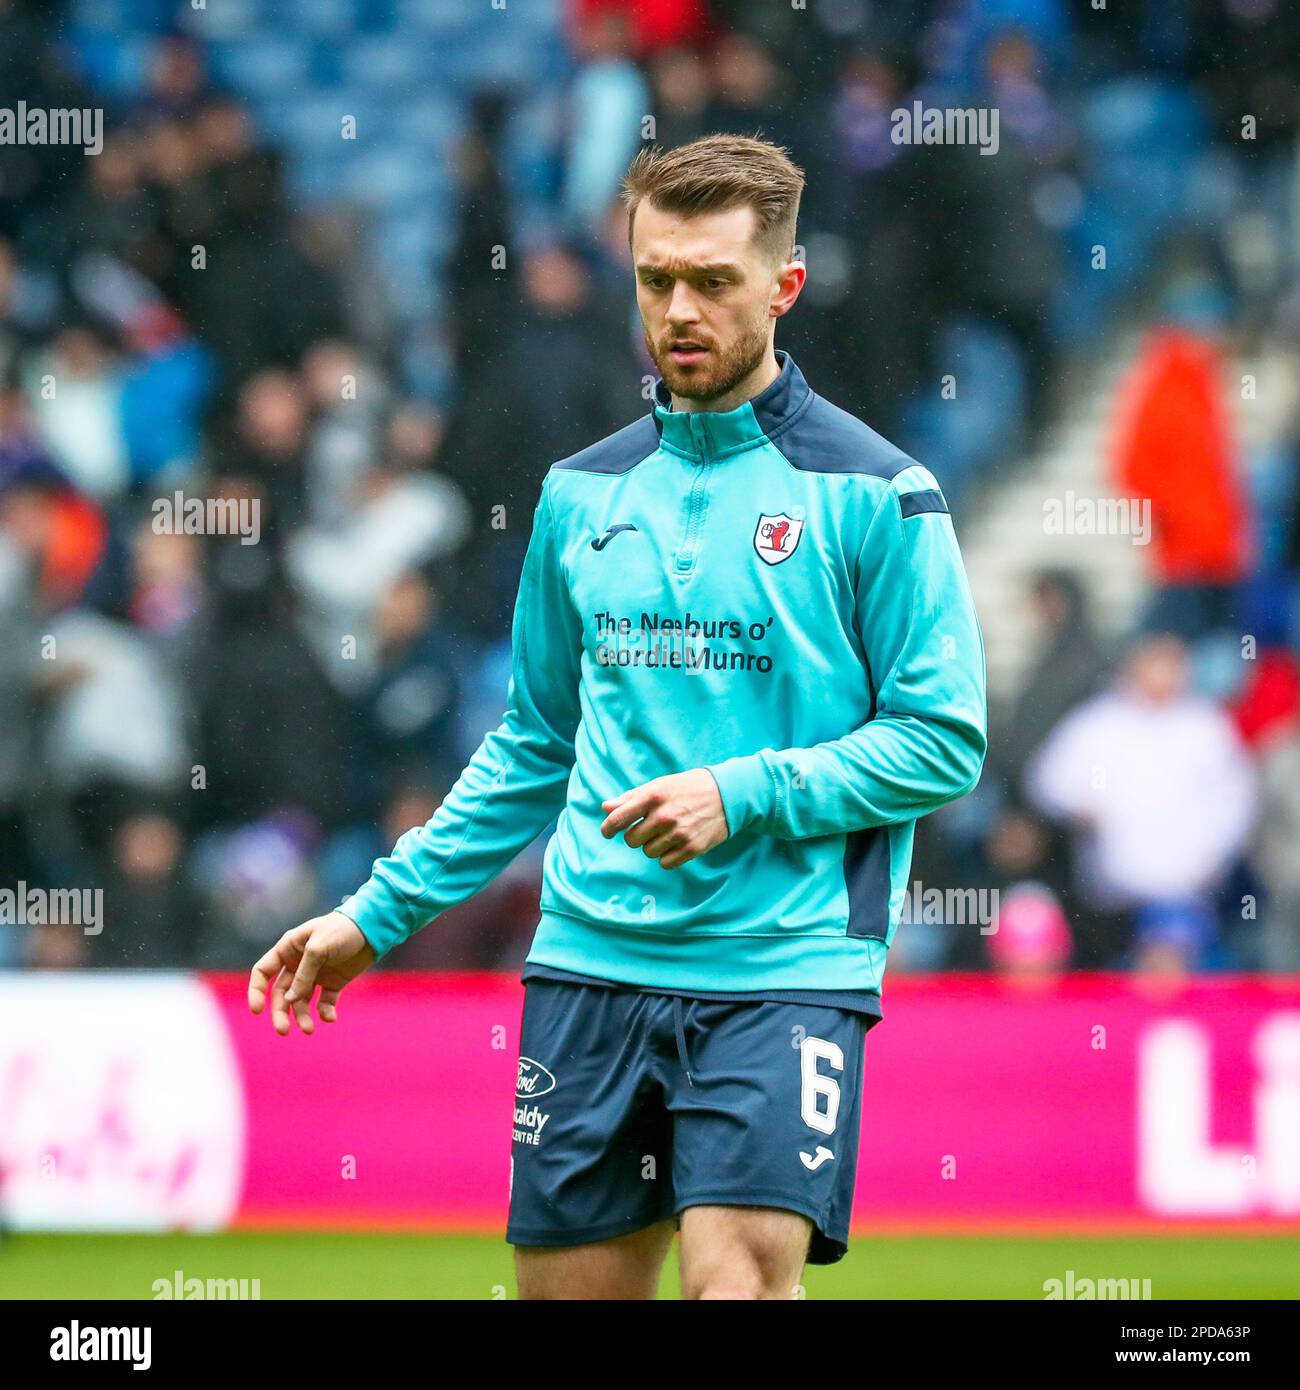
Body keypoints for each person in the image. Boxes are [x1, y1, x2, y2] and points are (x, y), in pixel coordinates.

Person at [248, 135, 987, 1300]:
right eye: (655, 281)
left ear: (783, 288)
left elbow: (942, 736)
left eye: (713, 281)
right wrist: (376, 915)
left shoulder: (878, 496)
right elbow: (534, 742)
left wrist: (741, 795)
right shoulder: (578, 494)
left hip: (778, 966)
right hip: (587, 962)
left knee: (733, 1285)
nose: (678, 310)